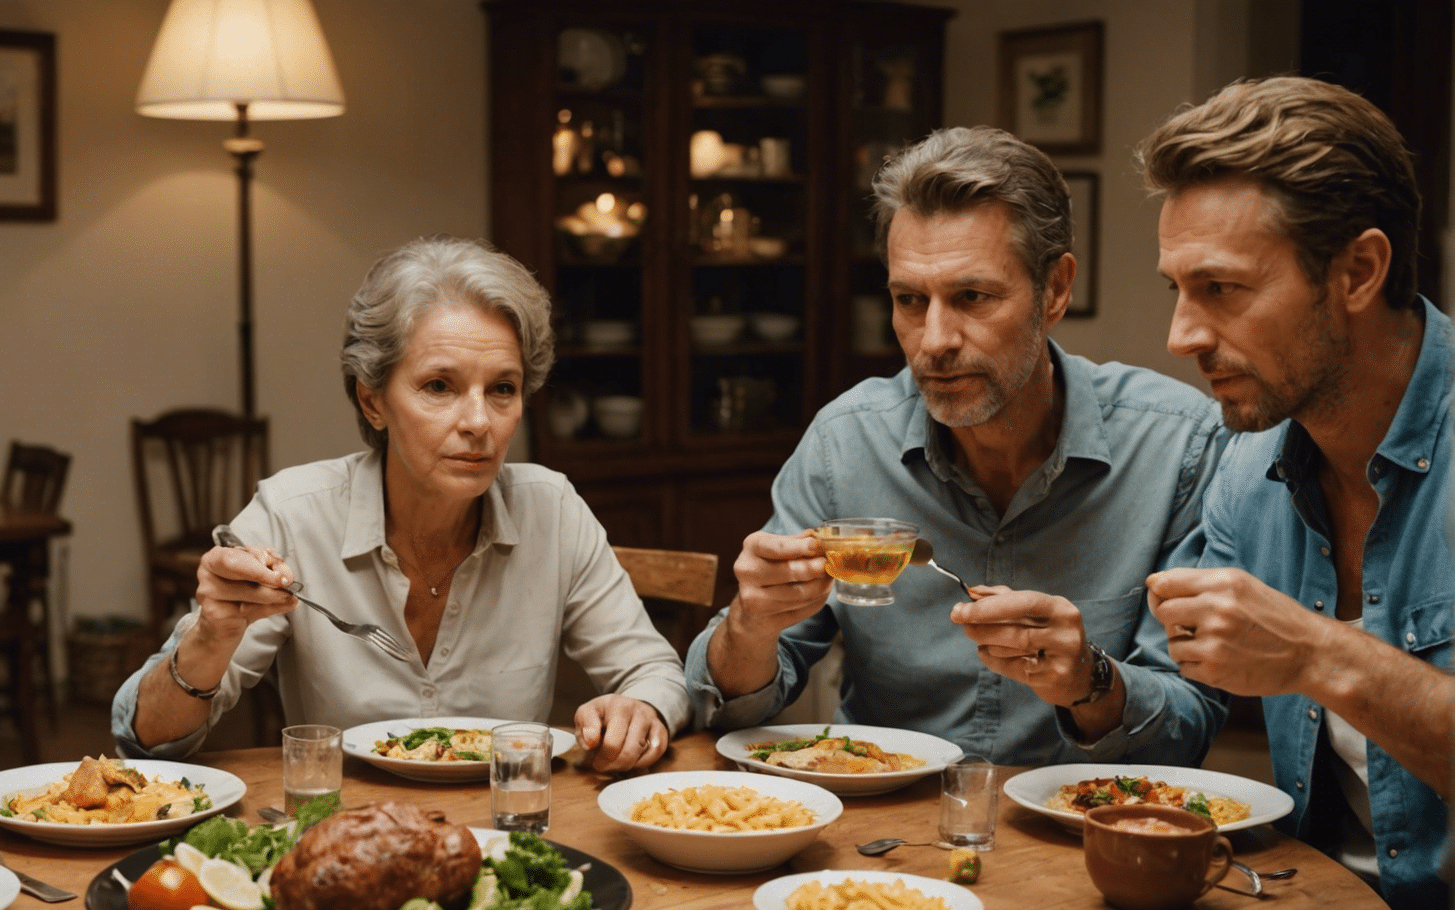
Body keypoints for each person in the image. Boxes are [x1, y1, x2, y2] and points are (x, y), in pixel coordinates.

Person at [686, 126, 1228, 766]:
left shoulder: (1177, 445)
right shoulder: (847, 439)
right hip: (882, 834)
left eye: (972, 297)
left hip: (1082, 834)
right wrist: (752, 624)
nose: (934, 339)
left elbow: (1192, 724)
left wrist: (1091, 679)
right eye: (910, 300)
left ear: (1054, 290)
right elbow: (728, 702)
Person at [1139, 77, 1448, 910]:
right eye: (1179, 288)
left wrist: (1323, 655)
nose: (1182, 334)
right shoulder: (1248, 470)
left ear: (1358, 270)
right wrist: (1080, 674)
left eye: (1223, 290)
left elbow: (1300, 660)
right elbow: (1180, 695)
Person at [114, 236, 689, 771]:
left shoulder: (553, 509)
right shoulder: (292, 515)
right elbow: (147, 739)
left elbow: (655, 672)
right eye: (439, 386)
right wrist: (210, 638)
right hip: (343, 835)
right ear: (373, 403)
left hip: (510, 831)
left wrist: (641, 709)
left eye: (502, 389)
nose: (478, 422)